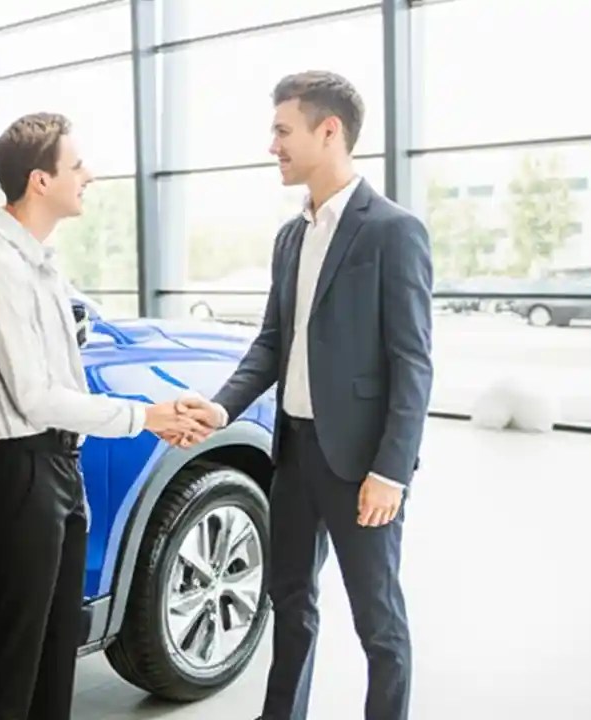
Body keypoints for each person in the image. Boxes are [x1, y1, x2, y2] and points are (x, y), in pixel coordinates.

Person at [177, 71, 434, 720]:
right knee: (288, 604)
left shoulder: (393, 232)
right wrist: (220, 407)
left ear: (329, 131)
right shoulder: (291, 236)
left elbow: (413, 364)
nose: (273, 146)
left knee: (378, 623)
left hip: (362, 466)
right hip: (294, 456)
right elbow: (271, 343)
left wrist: (390, 472)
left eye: (282, 131)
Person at [0, 111, 209, 720]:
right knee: (19, 650)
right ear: (40, 181)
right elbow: (33, 395)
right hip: (19, 470)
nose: (87, 175)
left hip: (59, 465)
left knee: (58, 642)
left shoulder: (41, 262)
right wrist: (145, 415)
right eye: (76, 165)